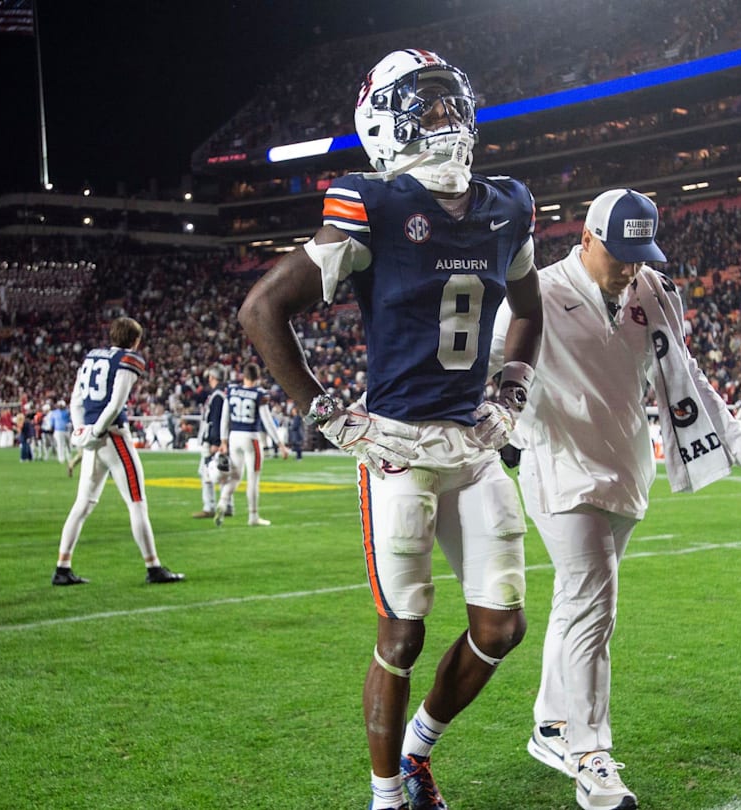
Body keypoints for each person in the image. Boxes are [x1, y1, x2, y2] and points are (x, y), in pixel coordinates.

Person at [238, 49, 543, 810]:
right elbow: (261, 310)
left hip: (473, 444)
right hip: (398, 449)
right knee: (402, 634)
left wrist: (512, 389)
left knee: (502, 627)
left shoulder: (508, 203)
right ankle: (385, 797)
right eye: (425, 105)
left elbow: (529, 309)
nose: (444, 119)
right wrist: (326, 415)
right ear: (383, 123)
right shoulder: (370, 201)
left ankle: (417, 752)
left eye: (450, 103)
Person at [491, 189, 741, 810]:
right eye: (619, 254)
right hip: (557, 466)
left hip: (624, 468)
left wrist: (739, 438)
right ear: (586, 238)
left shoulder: (651, 290)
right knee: (596, 601)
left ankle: (548, 722)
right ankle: (590, 754)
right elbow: (487, 367)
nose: (629, 267)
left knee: (574, 598)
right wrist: (502, 431)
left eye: (639, 254)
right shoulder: (533, 291)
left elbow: (685, 375)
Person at [53, 317, 185, 587]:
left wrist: (82, 431)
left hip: (92, 438)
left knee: (82, 504)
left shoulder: (91, 356)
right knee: (137, 502)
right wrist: (97, 431)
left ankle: (62, 568)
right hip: (112, 436)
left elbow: (75, 399)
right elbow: (115, 403)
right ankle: (153, 567)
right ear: (135, 340)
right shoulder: (129, 359)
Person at [217, 362, 289, 527]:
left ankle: (222, 503)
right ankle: (253, 516)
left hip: (234, 436)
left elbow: (224, 417)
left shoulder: (232, 390)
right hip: (251, 437)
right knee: (253, 480)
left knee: (235, 477)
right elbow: (267, 420)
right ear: (258, 378)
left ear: (244, 376)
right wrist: (280, 444)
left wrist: (223, 441)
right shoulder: (259, 394)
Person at [193, 365, 230, 519]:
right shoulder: (221, 394)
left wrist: (215, 441)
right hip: (220, 438)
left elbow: (216, 420)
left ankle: (209, 506)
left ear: (212, 377)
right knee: (222, 472)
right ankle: (227, 505)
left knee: (207, 472)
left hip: (213, 440)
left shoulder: (217, 396)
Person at [46, 401, 71, 467]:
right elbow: (52, 421)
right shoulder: (54, 413)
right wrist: (51, 427)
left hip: (66, 430)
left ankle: (69, 457)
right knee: (60, 445)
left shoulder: (66, 412)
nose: (60, 406)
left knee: (68, 445)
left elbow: (69, 420)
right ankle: (61, 459)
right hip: (58, 430)